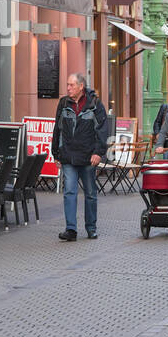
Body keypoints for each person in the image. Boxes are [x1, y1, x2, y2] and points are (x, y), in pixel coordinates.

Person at [51, 72, 109, 241]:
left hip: (88, 156)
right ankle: (71, 230)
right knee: (69, 192)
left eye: (71, 85)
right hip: (68, 155)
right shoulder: (63, 103)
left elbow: (102, 131)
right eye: (67, 85)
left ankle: (91, 228)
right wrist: (56, 153)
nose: (68, 88)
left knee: (90, 193)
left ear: (81, 86)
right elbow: (57, 129)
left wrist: (98, 152)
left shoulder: (95, 104)